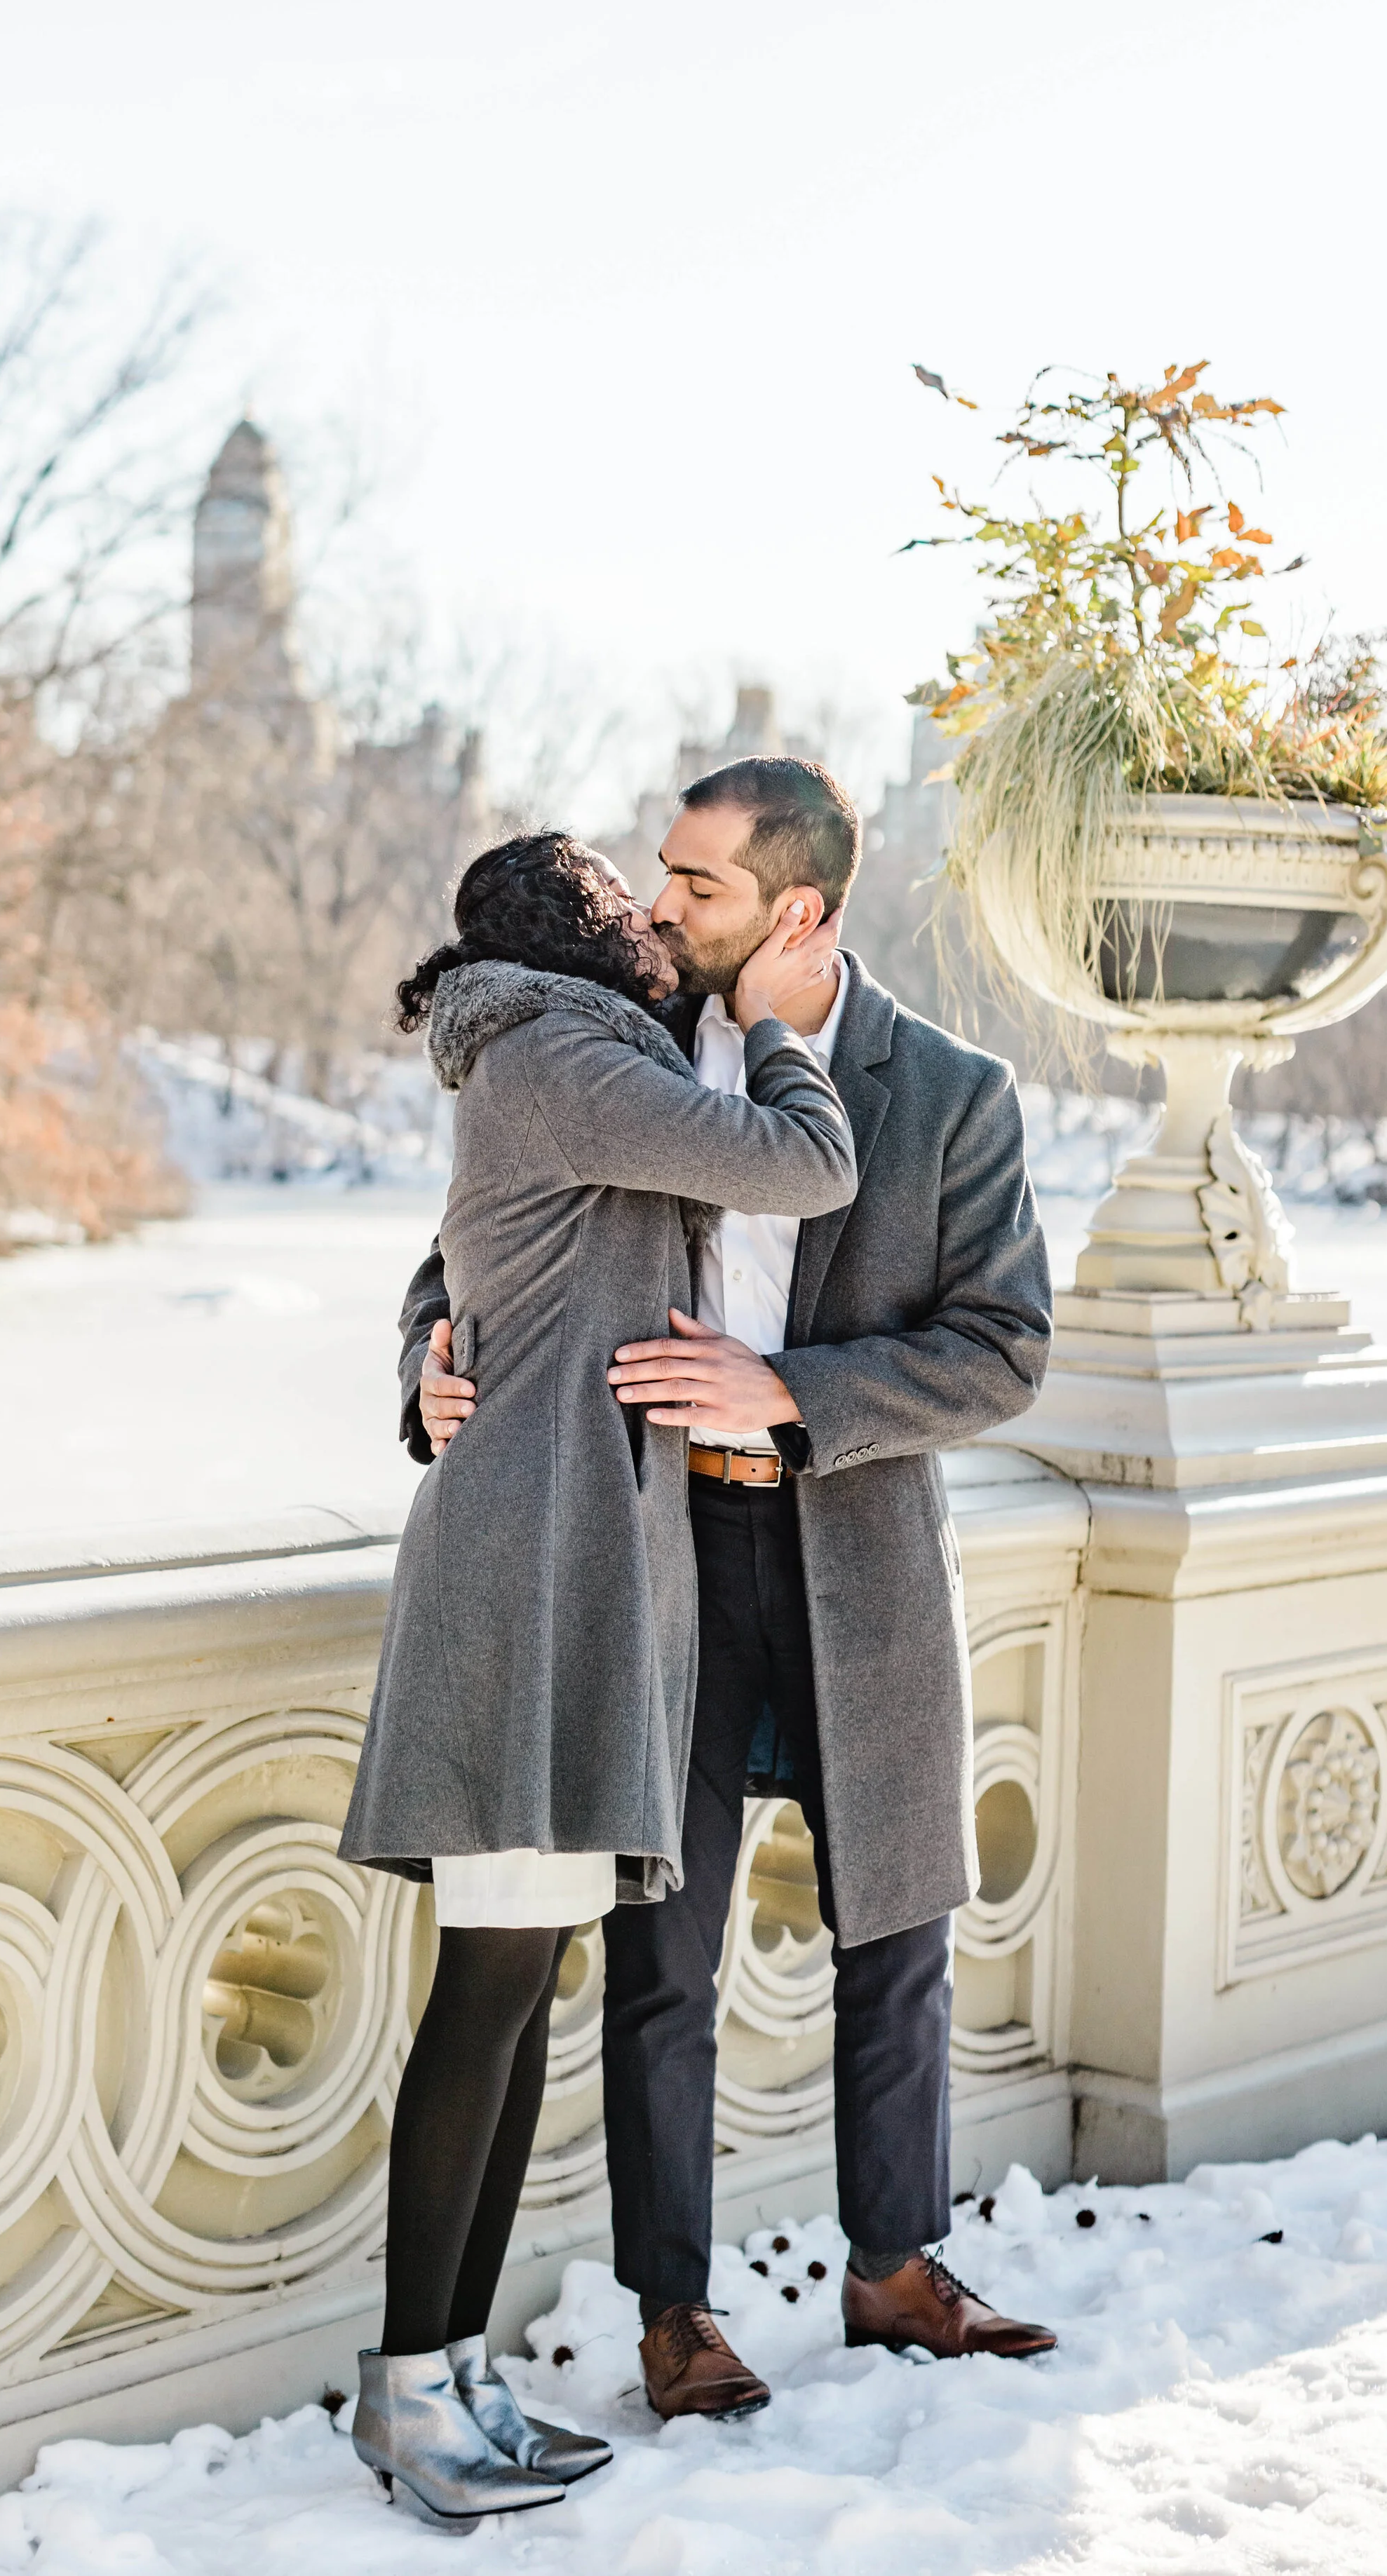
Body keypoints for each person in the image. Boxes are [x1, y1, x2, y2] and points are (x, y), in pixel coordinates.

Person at [407, 758, 1059, 2425]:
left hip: (854, 1549)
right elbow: (467, 1246)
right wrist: (419, 1363)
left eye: (696, 886)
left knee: (895, 1935)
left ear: (803, 911)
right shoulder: (616, 1047)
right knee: (660, 1952)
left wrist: (793, 1397)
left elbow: (1001, 1351)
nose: (659, 906)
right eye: (660, 874)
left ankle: (896, 2266)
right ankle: (675, 2310)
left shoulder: (952, 1095)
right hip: (653, 1559)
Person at [339, 828, 855, 2528]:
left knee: (517, 1994)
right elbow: (800, 1167)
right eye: (630, 904)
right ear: (580, 936)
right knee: (482, 2001)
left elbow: (465, 1265)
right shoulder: (565, 1052)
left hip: (570, 1581)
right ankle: (409, 2391)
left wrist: (428, 1345)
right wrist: (783, 1021)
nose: (654, 919)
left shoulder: (565, 1061)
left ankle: (459, 2373)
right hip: (521, 1588)